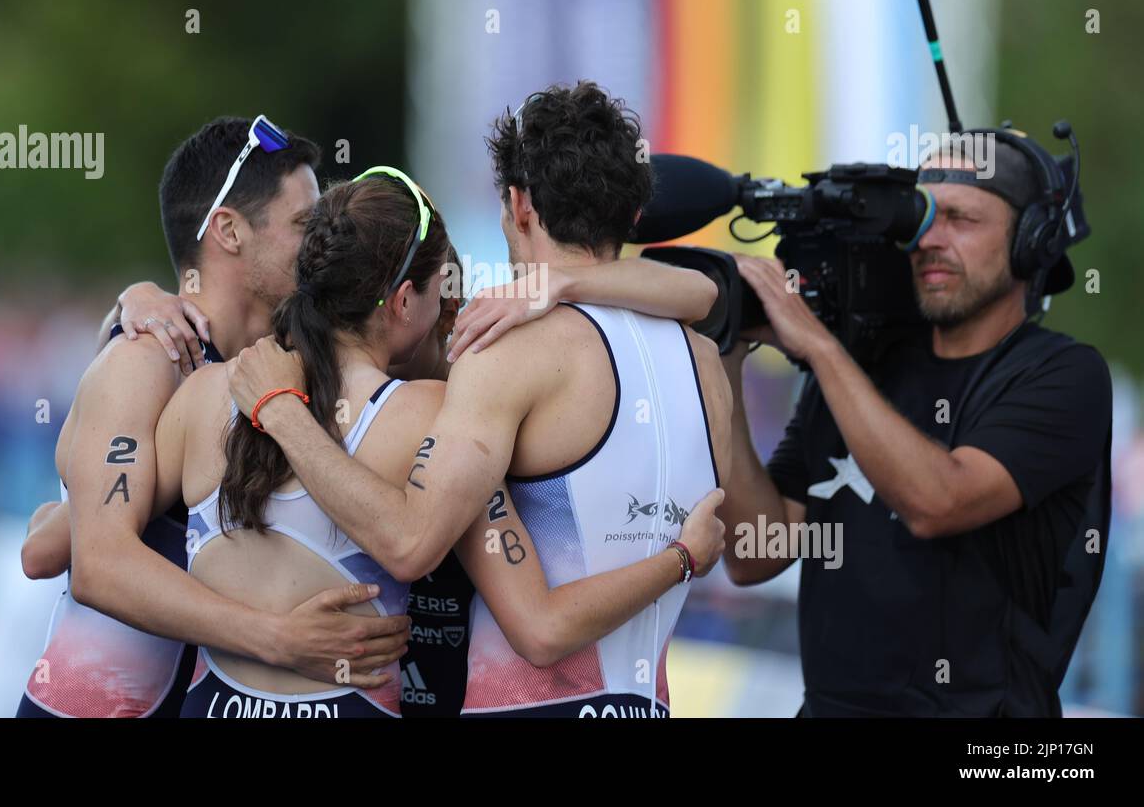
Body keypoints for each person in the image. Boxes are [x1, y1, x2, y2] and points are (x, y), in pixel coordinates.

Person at [228, 82, 734, 717]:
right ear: (632, 214)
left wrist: (280, 411)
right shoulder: (708, 364)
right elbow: (704, 295)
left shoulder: (502, 355)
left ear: (519, 206)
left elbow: (434, 559)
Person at [16, 116, 410, 717]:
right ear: (228, 231)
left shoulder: (273, 362)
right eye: (304, 224)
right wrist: (277, 639)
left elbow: (54, 538)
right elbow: (96, 567)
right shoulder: (147, 359)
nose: (321, 243)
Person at [719, 132, 1112, 716]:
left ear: (1033, 242)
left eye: (960, 218)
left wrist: (822, 351)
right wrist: (725, 362)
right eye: (921, 217)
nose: (929, 238)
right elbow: (755, 555)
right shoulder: (863, 367)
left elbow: (939, 500)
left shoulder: (1064, 374)